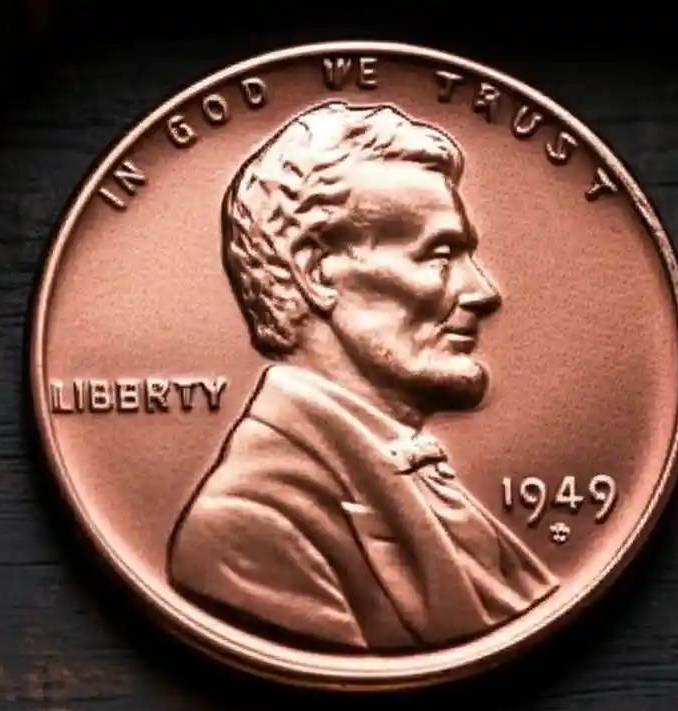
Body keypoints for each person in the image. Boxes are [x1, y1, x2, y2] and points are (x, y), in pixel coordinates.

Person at [166, 101, 558, 651]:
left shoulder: (405, 472)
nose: (483, 292)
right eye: (440, 255)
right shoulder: (247, 525)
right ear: (316, 271)